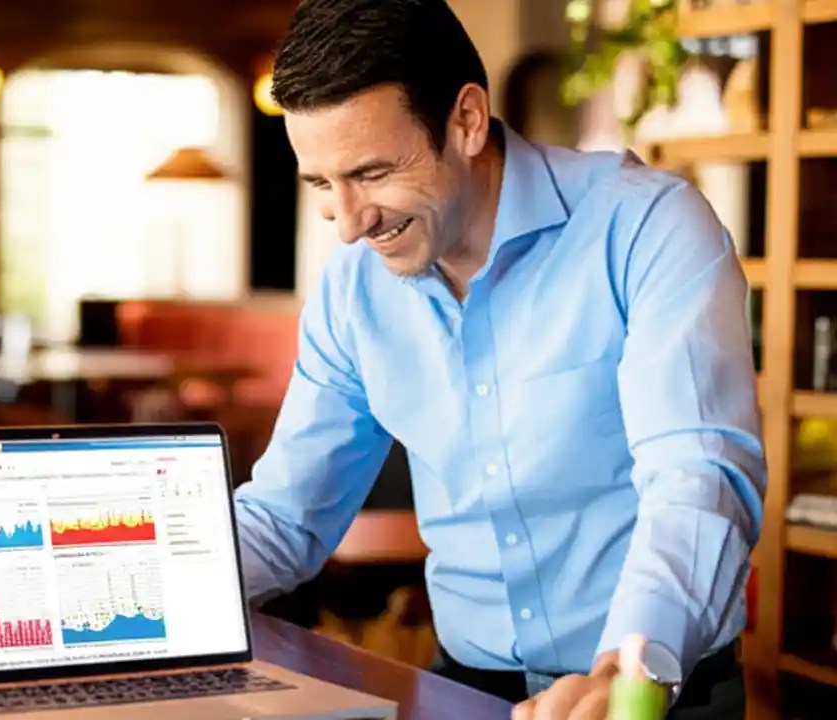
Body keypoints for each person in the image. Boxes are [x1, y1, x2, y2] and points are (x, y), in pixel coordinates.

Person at [232, 2, 765, 719]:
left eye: (373, 172)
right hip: (465, 691)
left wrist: (634, 672)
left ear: (467, 121)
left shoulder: (645, 227)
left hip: (650, 688)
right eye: (322, 185)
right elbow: (286, 518)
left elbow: (698, 477)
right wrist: (117, 599)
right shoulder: (352, 288)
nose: (352, 223)